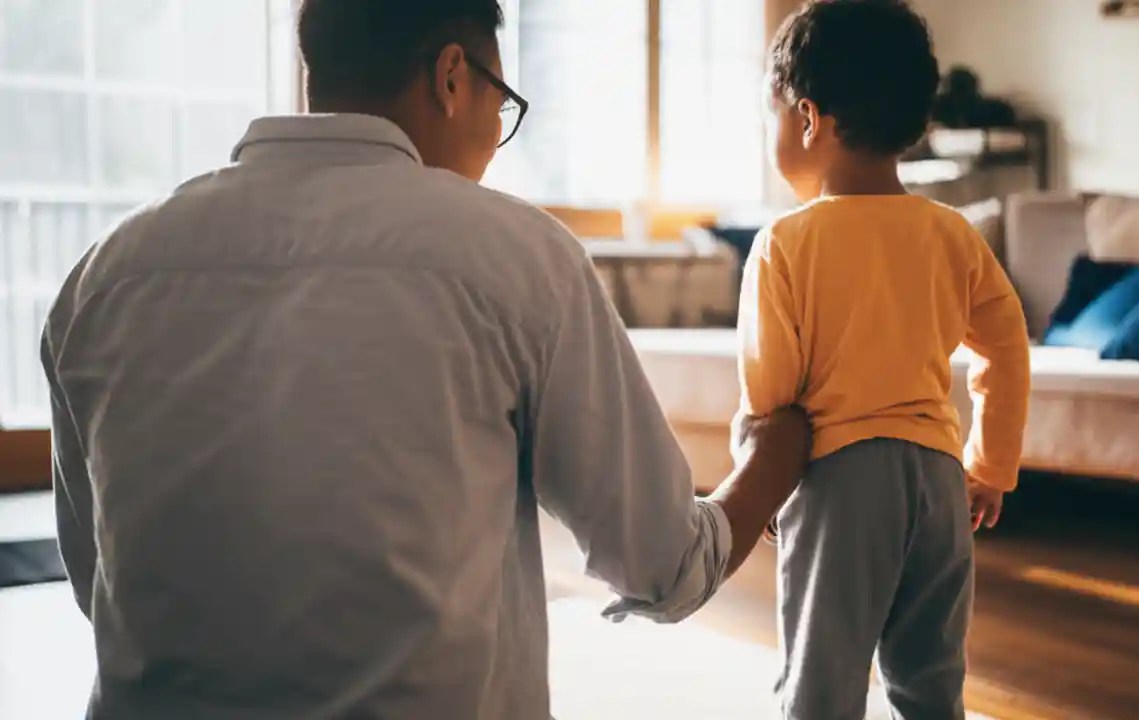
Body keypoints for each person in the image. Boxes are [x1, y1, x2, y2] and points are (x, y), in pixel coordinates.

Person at [40, 1, 809, 718]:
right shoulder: (515, 255)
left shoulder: (106, 274)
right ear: (451, 78)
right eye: (500, 105)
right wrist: (773, 459)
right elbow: (666, 565)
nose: (494, 134)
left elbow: (98, 580)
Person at [739, 1, 1032, 718]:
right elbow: (1006, 346)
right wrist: (989, 465)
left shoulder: (786, 243)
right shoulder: (952, 233)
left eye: (776, 116)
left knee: (822, 681)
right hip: (939, 483)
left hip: (841, 485)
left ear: (809, 119)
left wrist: (762, 484)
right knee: (931, 680)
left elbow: (769, 396)